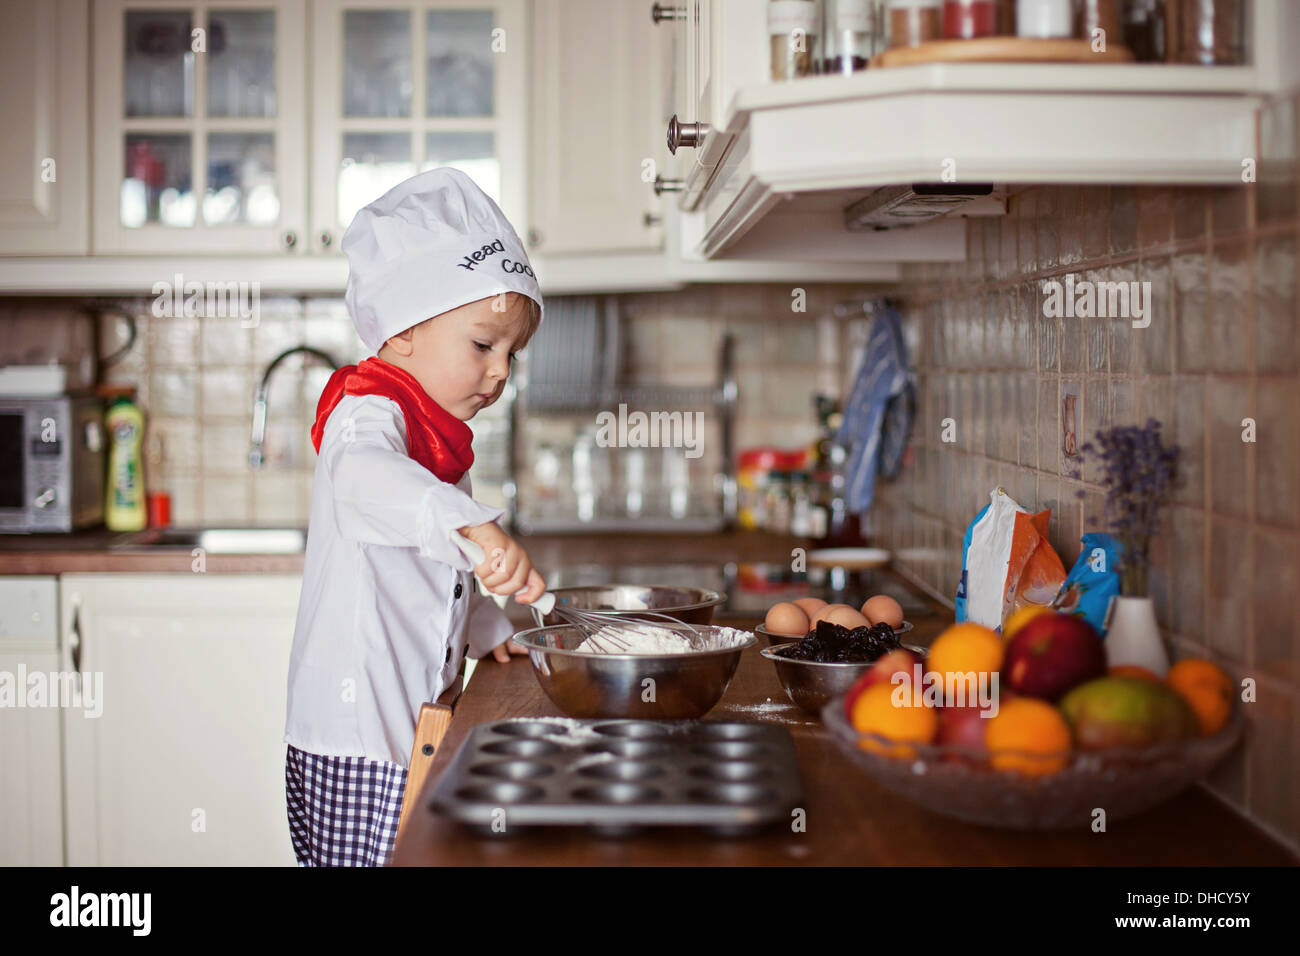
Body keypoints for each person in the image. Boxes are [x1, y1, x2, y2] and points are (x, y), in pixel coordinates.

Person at [283, 168, 547, 866]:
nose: (501, 374)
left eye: (511, 354)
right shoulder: (366, 413)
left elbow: (429, 572)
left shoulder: (433, 429)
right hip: (359, 738)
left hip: (408, 723)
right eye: (483, 345)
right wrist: (472, 526)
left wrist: (487, 627)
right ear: (400, 331)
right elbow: (370, 485)